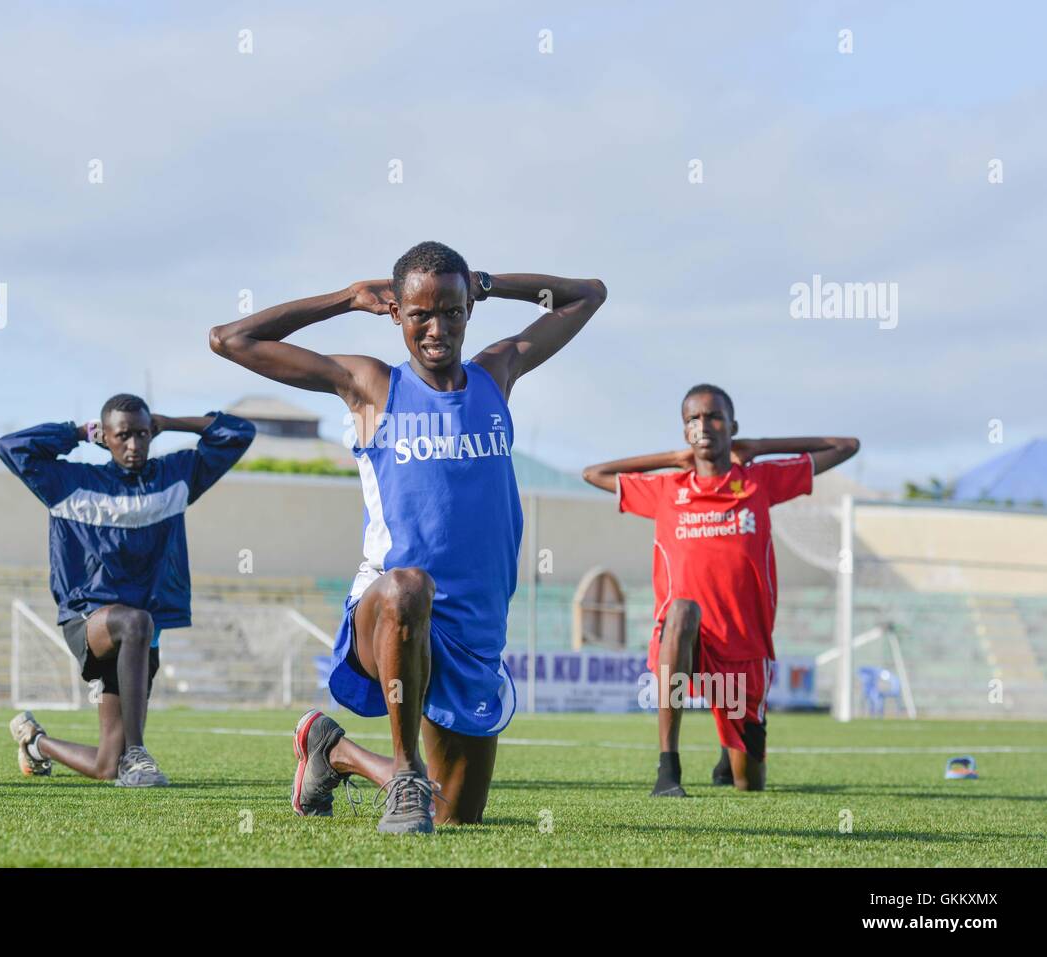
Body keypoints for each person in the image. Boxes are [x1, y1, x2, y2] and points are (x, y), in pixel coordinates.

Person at [210, 240, 607, 832]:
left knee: (458, 818)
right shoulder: (372, 387)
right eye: (420, 312)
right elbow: (230, 339)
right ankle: (404, 771)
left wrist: (489, 280)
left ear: (469, 308)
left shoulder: (496, 375)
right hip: (391, 612)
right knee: (408, 587)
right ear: (396, 312)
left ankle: (332, 750)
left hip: (475, 628)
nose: (437, 326)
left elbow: (586, 295)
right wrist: (346, 298)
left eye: (452, 309)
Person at [583, 383, 859, 795]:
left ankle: (730, 752)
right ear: (684, 432)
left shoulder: (758, 481)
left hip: (744, 649)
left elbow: (846, 445)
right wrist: (674, 459)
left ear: (732, 425)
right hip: (688, 643)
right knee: (681, 612)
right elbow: (594, 474)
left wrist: (760, 447)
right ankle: (668, 769)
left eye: (713, 416)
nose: (703, 425)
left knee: (749, 785)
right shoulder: (667, 490)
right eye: (692, 419)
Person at [0, 395, 254, 787]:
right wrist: (77, 433)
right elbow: (10, 447)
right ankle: (139, 753)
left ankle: (37, 744)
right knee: (135, 621)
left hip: (141, 637)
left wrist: (171, 421)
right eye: (123, 435)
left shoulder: (176, 477)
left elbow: (239, 433)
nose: (134, 445)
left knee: (105, 765)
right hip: (89, 621)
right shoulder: (68, 482)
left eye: (142, 434)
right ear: (106, 437)